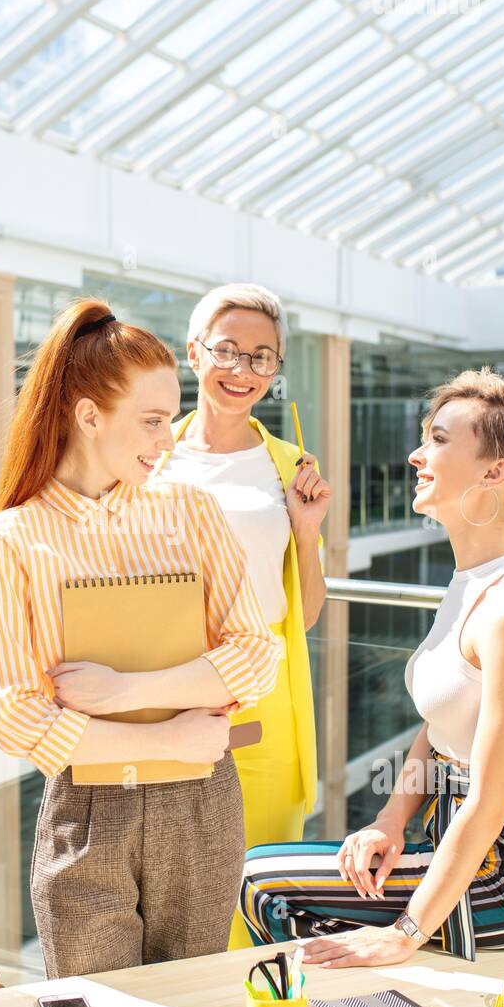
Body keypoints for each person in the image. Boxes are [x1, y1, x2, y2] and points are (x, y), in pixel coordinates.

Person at [0, 298, 282, 978]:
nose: (167, 437)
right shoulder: (11, 540)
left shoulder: (191, 510)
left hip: (203, 802)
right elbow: (18, 718)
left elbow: (258, 657)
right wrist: (163, 737)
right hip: (87, 811)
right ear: (88, 415)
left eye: (170, 418)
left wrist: (129, 691)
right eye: (150, 420)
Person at [240, 367, 504, 966]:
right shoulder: (470, 582)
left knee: (265, 883)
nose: (417, 455)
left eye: (439, 440)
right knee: (273, 879)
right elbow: (441, 729)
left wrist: (405, 933)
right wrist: (390, 819)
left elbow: (491, 799)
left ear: (495, 473)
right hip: (451, 839)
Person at [152, 283, 330, 948]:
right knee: (175, 883)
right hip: (167, 698)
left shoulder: (289, 465)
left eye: (263, 358)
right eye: (228, 350)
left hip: (265, 705)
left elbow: (302, 616)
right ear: (195, 353)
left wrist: (307, 534)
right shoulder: (149, 460)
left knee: (260, 885)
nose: (243, 371)